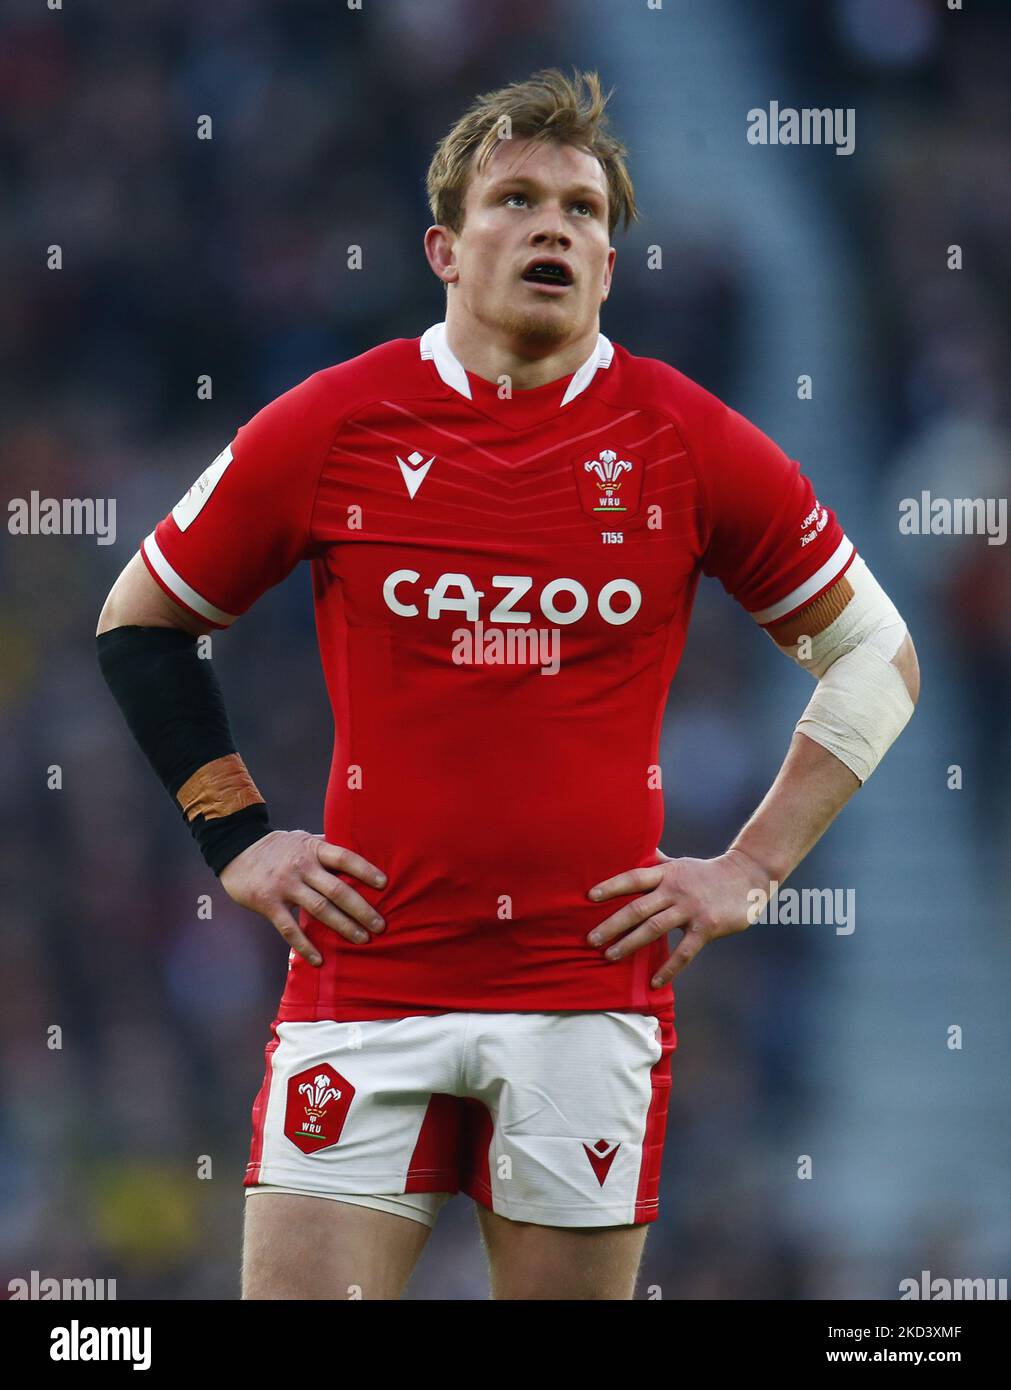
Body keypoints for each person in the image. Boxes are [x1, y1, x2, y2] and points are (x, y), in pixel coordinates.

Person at [96, 68, 919, 1301]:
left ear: (608, 263)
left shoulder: (682, 439)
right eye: (517, 199)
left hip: (587, 1000)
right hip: (365, 985)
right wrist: (239, 838)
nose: (553, 227)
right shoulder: (337, 422)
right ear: (444, 246)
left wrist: (750, 867)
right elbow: (141, 623)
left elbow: (878, 656)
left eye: (583, 211)